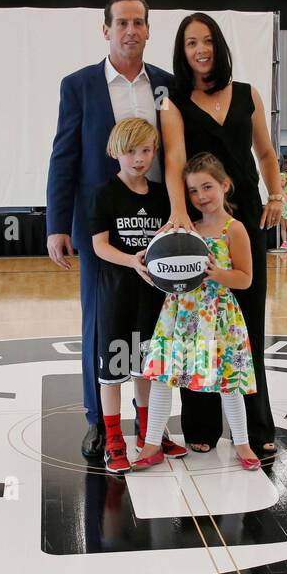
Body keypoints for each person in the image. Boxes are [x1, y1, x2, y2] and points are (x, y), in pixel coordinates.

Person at [47, 0, 174, 460]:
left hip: (158, 230)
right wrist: (57, 224)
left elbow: (177, 154)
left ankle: (151, 425)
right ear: (106, 30)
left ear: (147, 30)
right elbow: (64, 156)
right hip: (104, 232)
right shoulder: (78, 85)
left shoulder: (166, 85)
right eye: (121, 22)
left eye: (138, 22)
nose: (130, 30)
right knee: (101, 330)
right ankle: (101, 424)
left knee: (155, 331)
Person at [157, 11, 281, 457]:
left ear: (219, 46)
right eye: (191, 43)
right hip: (199, 219)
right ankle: (202, 422)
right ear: (182, 51)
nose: (200, 50)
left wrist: (278, 195)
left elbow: (265, 152)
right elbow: (174, 160)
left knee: (248, 320)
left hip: (245, 214)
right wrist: (179, 214)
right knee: (199, 323)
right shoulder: (173, 100)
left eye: (206, 41)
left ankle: (256, 421)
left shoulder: (248, 94)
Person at [133, 153, 260, 472]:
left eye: (207, 187)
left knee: (229, 381)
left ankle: (242, 442)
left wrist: (218, 274)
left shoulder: (235, 229)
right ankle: (151, 444)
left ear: (224, 185)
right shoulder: (184, 229)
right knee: (162, 377)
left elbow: (245, 279)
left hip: (218, 316)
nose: (201, 196)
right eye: (193, 191)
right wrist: (151, 261)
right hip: (179, 314)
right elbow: (162, 266)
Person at [89, 118, 184, 474]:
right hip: (116, 297)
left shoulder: (162, 195)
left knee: (146, 371)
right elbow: (98, 247)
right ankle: (114, 439)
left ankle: (149, 433)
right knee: (112, 373)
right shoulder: (104, 194)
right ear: (115, 151)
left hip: (153, 300)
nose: (139, 158)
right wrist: (131, 260)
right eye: (131, 151)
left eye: (146, 150)